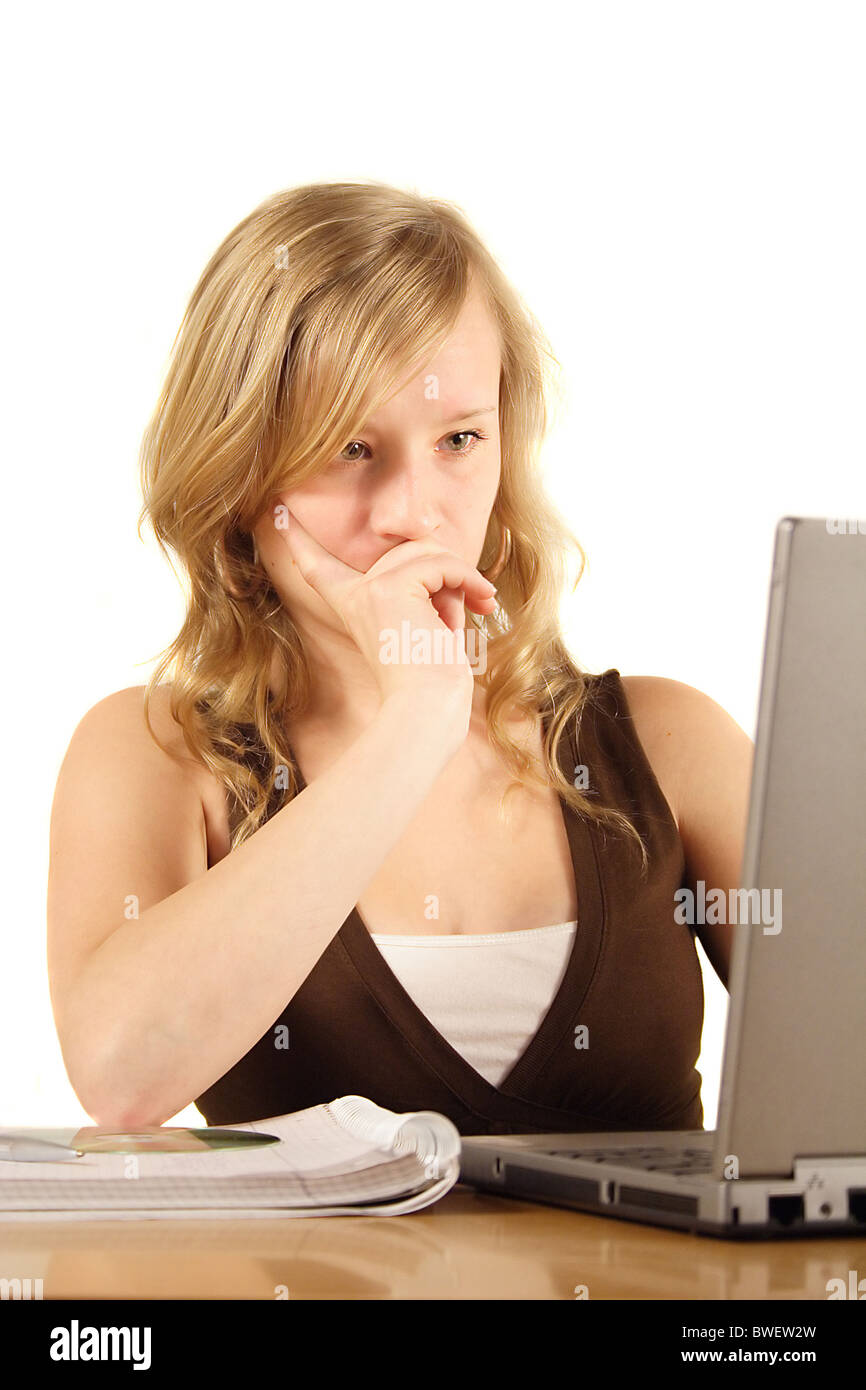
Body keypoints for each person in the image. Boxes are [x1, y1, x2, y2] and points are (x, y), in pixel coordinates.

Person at [47, 180, 753, 1134]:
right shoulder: (159, 755)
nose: (415, 514)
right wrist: (416, 720)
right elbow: (121, 1079)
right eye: (349, 448)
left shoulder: (669, 744)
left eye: (459, 438)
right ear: (239, 472)